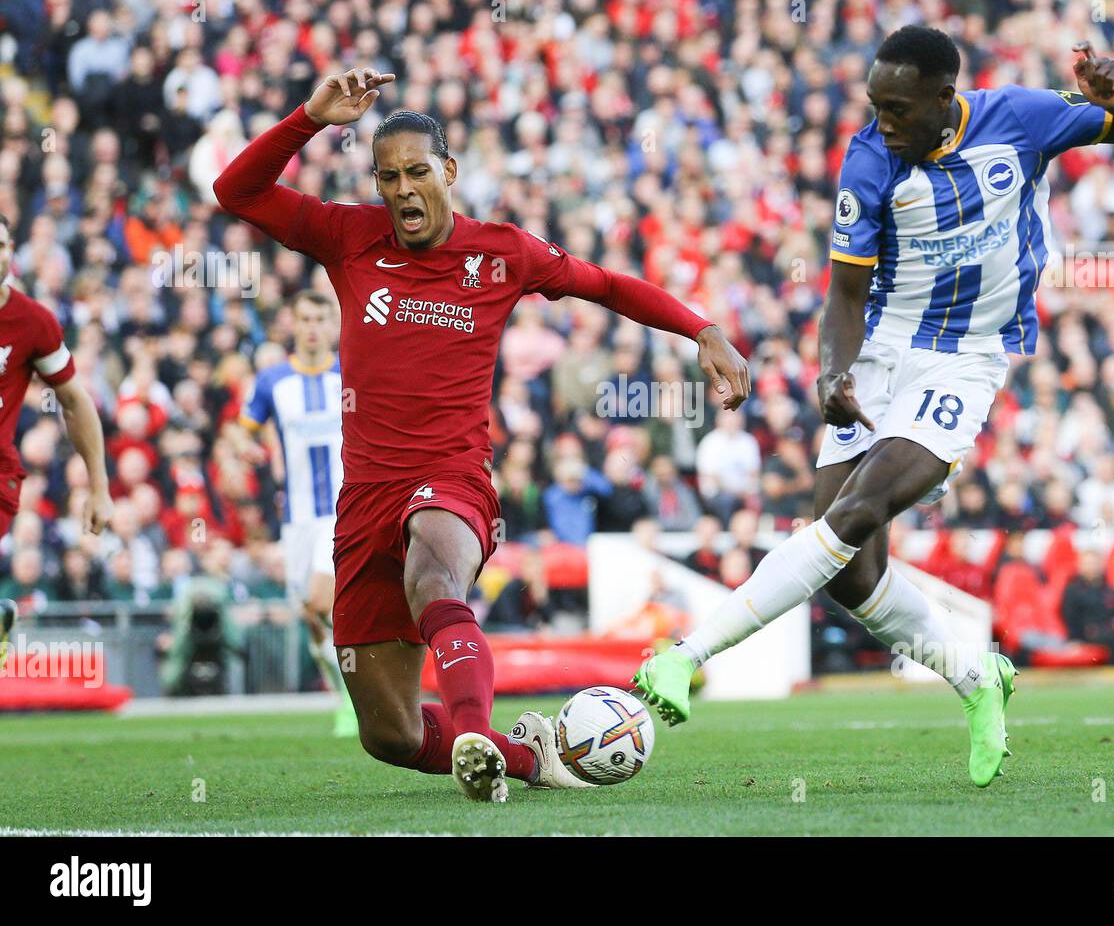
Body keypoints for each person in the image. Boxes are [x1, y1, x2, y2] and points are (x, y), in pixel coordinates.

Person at [635, 26, 1114, 787]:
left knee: (852, 513)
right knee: (848, 575)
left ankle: (686, 654)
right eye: (874, 106)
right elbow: (844, 294)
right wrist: (833, 372)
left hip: (966, 360)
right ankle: (976, 677)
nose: (883, 122)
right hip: (882, 351)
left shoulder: (1021, 117)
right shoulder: (868, 161)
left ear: (943, 97)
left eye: (897, 109)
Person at [213, 67, 750, 802]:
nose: (403, 189)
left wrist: (702, 329)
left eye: (417, 172)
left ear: (450, 172)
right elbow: (236, 192)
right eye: (388, 177)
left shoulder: (502, 253)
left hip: (452, 477)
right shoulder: (349, 237)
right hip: (364, 496)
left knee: (434, 577)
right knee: (391, 735)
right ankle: (526, 756)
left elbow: (606, 285)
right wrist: (308, 117)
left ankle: (472, 730)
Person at [238, 291, 357, 738]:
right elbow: (241, 430)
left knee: (319, 602)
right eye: (304, 319)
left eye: (320, 319)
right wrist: (245, 448)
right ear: (294, 324)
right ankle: (345, 698)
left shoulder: (349, 372)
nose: (312, 328)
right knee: (310, 615)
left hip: (342, 511)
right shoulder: (273, 381)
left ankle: (356, 700)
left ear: (332, 324)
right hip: (297, 518)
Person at [0, 212, 114, 655]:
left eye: (1, 245)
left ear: (12, 253)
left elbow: (75, 401)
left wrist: (98, 488)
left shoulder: (33, 322)